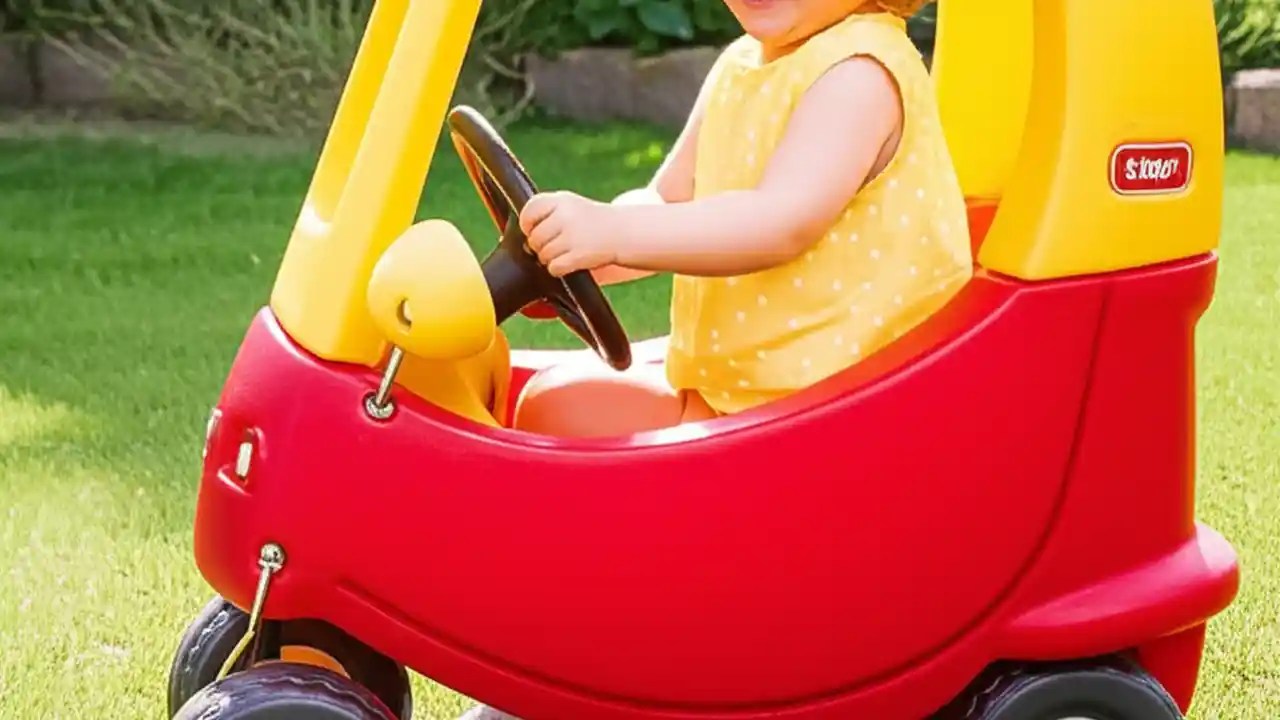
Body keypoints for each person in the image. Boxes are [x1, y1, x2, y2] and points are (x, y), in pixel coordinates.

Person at [514, 0, 970, 438]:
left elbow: (780, 221)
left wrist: (614, 234)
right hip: (741, 397)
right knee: (553, 403)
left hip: (835, 415)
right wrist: (585, 254)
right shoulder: (742, 63)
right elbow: (667, 202)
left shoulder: (859, 72)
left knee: (558, 410)